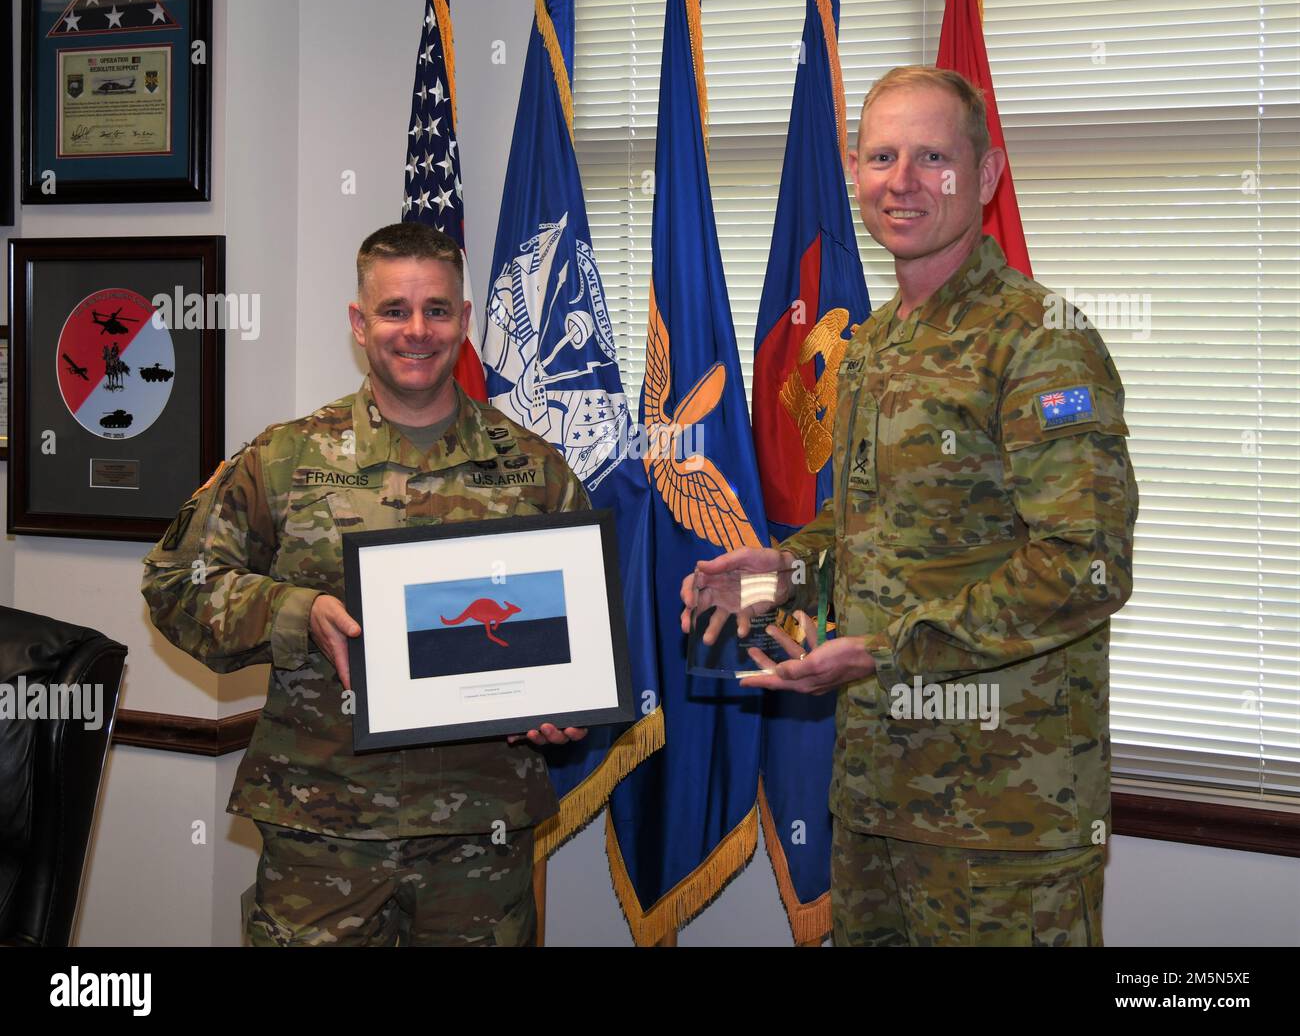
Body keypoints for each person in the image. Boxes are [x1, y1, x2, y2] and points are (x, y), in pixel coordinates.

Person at [683, 66, 1138, 946]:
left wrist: (883, 651)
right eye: (883, 156)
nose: (903, 181)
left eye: (934, 157)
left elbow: (1083, 567)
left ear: (987, 174)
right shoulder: (875, 341)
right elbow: (870, 533)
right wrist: (786, 564)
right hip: (876, 795)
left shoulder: (1041, 342)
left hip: (1004, 818)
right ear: (854, 171)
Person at [142, 223, 589, 947]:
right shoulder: (284, 459)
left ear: (465, 322)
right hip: (322, 833)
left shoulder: (535, 472)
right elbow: (174, 585)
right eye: (394, 310)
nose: (417, 331)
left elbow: (583, 633)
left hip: (479, 837)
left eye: (437, 310)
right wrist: (295, 609)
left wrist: (566, 708)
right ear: (360, 323)